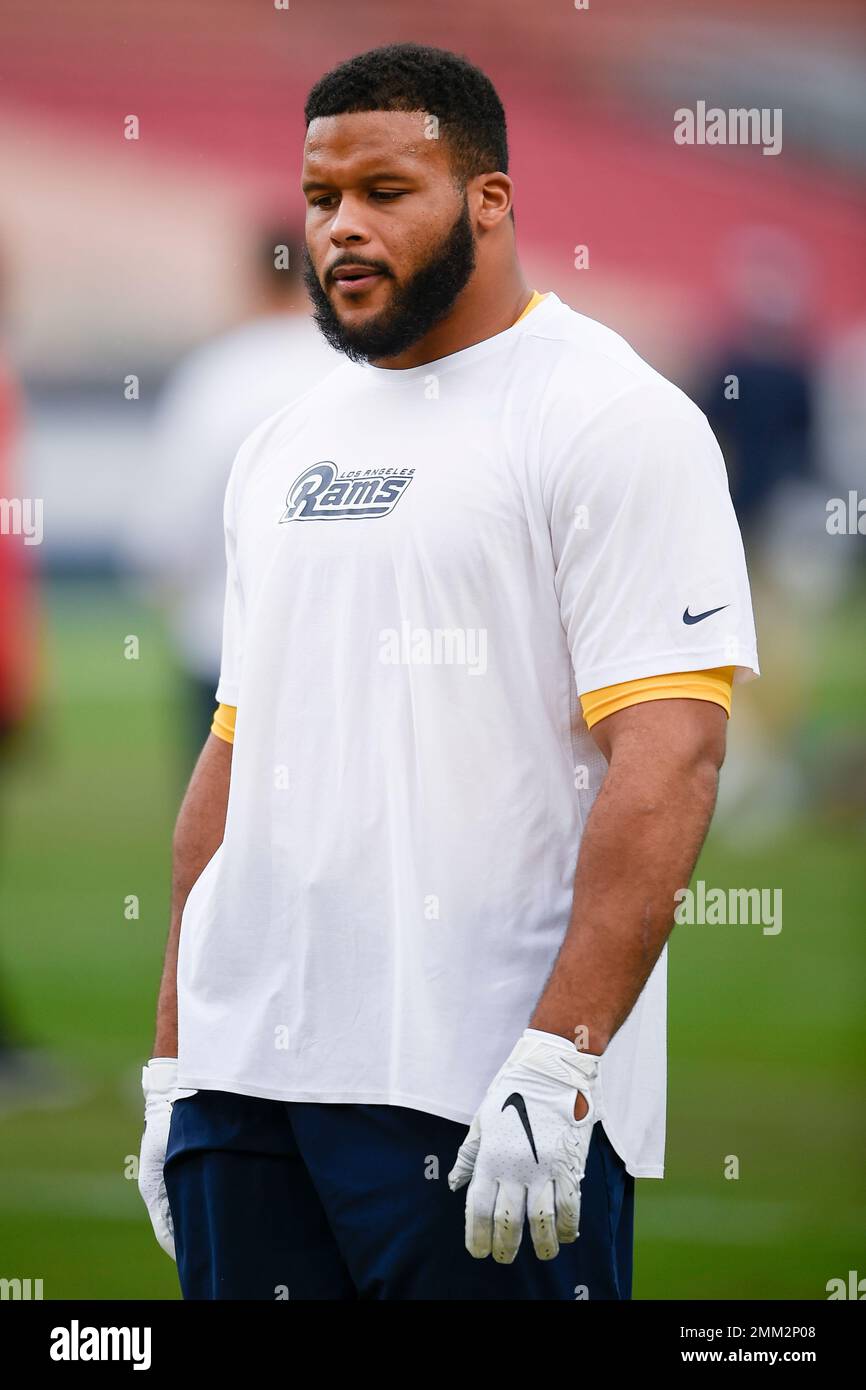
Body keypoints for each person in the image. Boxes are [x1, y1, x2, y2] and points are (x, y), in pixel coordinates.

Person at [138, 43, 759, 1301]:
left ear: (489, 201)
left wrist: (558, 1057)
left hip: (481, 1093)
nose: (343, 228)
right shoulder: (283, 442)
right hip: (244, 1092)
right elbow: (232, 761)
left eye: (384, 191)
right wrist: (172, 1061)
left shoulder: (609, 417)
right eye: (320, 200)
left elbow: (671, 754)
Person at [131, 227, 338, 765]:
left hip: (226, 650)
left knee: (218, 841)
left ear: (250, 278)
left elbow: (167, 533)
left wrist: (169, 590)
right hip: (341, 652)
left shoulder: (218, 374)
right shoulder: (363, 365)